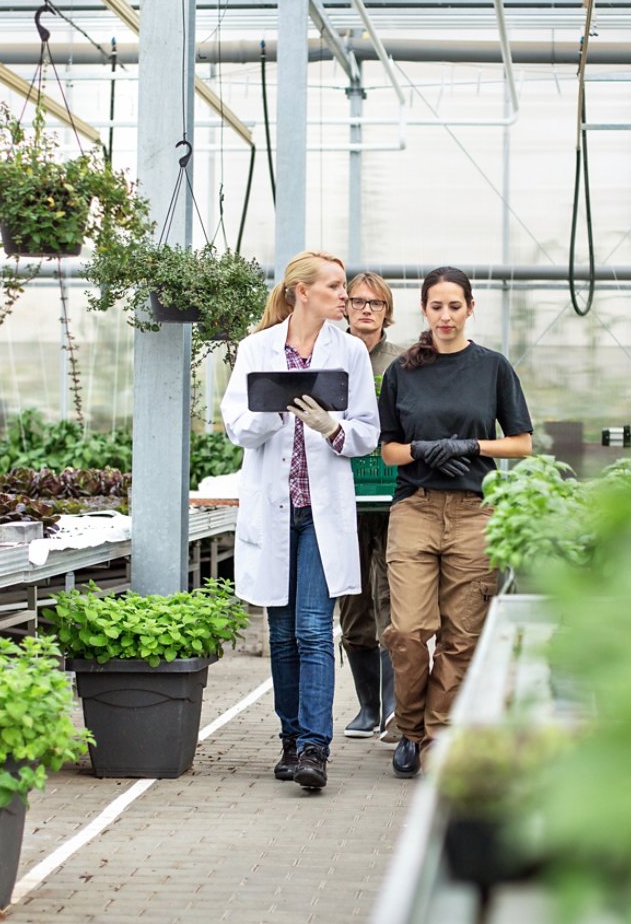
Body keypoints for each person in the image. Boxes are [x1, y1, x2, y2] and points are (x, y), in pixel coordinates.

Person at [221, 250, 379, 792]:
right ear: (301, 292)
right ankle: (290, 741)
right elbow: (237, 425)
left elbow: (367, 433)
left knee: (314, 629)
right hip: (274, 509)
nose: (346, 297)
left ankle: (315, 745)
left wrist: (330, 426)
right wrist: (278, 407)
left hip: (322, 512)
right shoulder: (256, 348)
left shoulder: (351, 352)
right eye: (336, 287)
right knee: (282, 634)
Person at [378, 267, 534, 778]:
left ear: (470, 308)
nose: (445, 316)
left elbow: (522, 443)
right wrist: (422, 449)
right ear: (424, 310)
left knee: (461, 636)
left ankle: (434, 740)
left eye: (454, 306)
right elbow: (389, 450)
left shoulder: (493, 368)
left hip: (474, 512)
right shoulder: (403, 370)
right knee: (406, 630)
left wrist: (470, 445)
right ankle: (409, 725)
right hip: (416, 508)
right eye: (436, 306)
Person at [337, 271, 403, 740]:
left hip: (394, 495)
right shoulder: (331, 355)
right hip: (344, 496)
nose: (365, 309)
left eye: (375, 304)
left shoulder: (404, 363)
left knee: (392, 598)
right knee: (354, 602)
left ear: (386, 312)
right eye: (357, 301)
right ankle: (366, 705)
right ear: (345, 307)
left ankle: (393, 707)